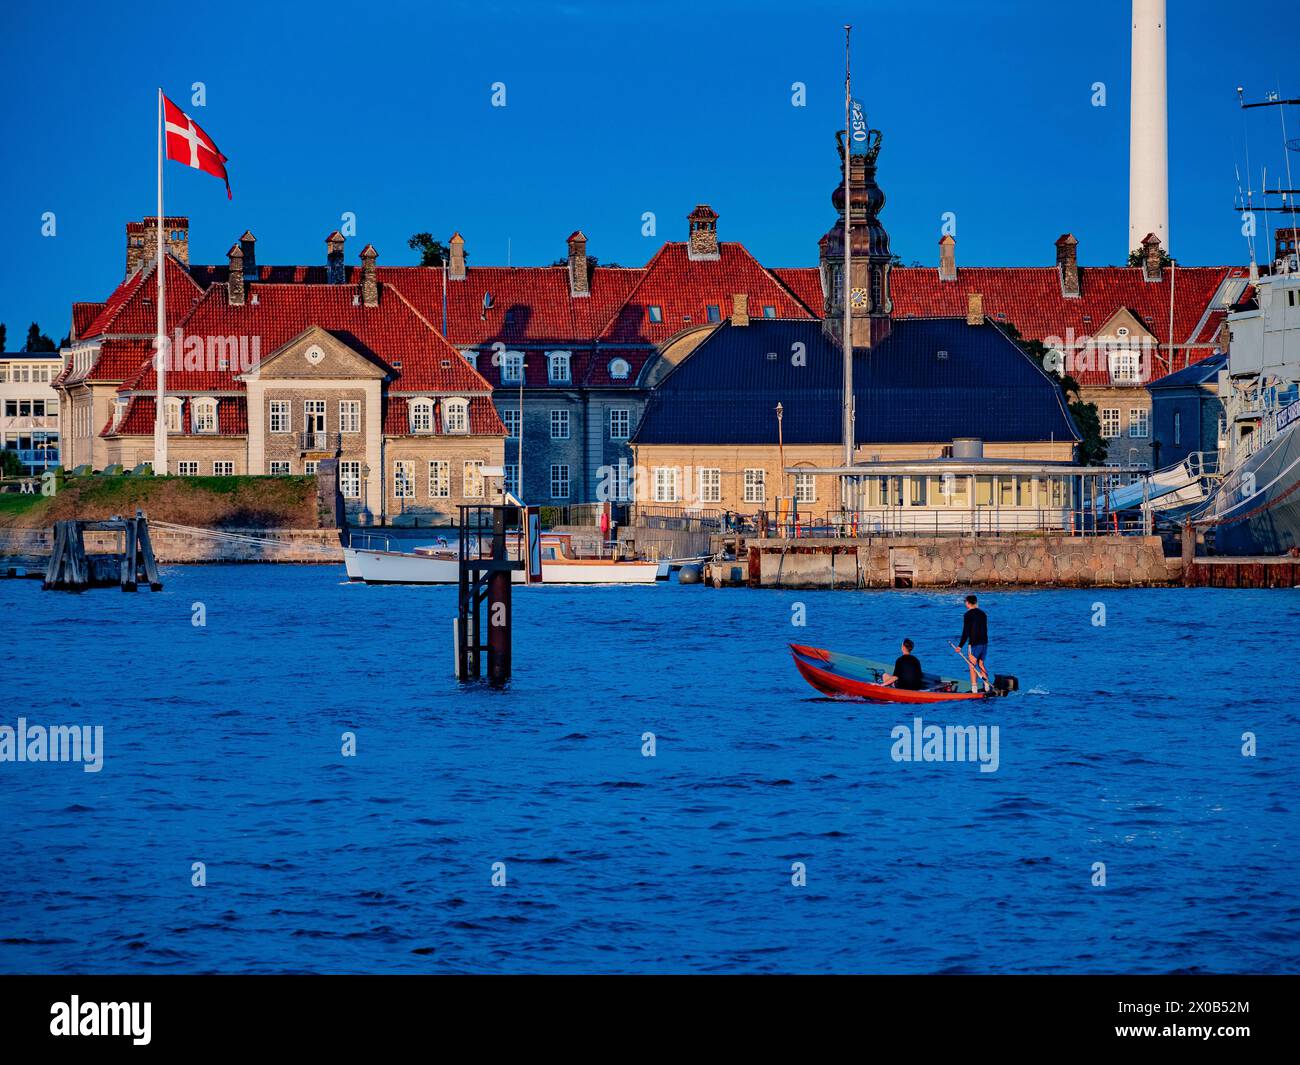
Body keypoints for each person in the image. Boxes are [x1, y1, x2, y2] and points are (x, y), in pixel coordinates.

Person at [957, 594, 990, 693]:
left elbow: (966, 632)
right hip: (984, 642)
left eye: (965, 602)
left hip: (974, 644)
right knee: (981, 664)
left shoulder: (967, 615)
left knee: (972, 665)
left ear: (967, 603)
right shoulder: (983, 613)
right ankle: (987, 686)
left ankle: (974, 688)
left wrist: (960, 646)